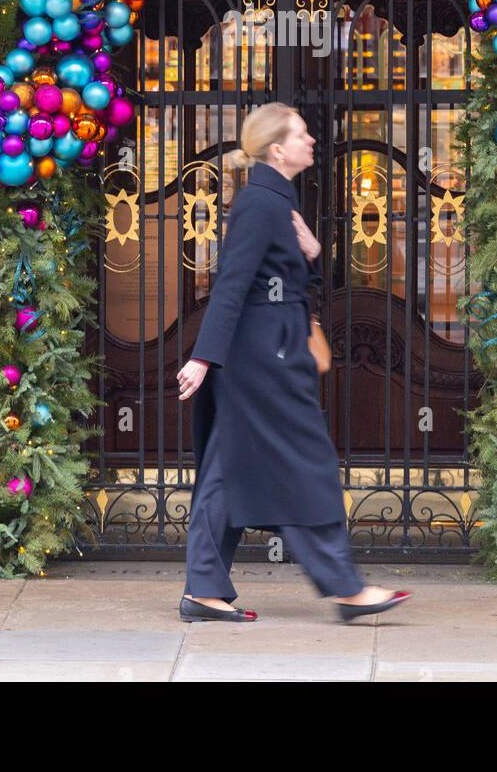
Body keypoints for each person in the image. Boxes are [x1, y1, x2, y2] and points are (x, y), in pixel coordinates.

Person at [176, 101, 412, 623]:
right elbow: (232, 286)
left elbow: (282, 285)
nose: (312, 141)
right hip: (264, 362)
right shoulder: (261, 202)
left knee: (225, 471)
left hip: (267, 353)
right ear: (278, 148)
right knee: (307, 465)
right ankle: (345, 587)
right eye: (302, 134)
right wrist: (203, 358)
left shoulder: (275, 201)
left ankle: (203, 590)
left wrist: (312, 255)